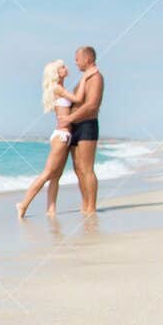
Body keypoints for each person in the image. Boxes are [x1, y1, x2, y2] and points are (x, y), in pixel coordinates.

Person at [16, 60, 82, 220]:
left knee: (56, 177)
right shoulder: (57, 88)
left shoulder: (61, 88)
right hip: (61, 135)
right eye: (63, 67)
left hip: (65, 135)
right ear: (56, 72)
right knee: (47, 174)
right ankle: (23, 204)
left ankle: (51, 209)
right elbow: (79, 99)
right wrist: (86, 79)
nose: (66, 68)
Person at [62, 45, 104, 215]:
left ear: (88, 59)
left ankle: (92, 207)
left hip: (87, 125)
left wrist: (70, 117)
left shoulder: (96, 78)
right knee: (78, 168)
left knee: (87, 168)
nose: (75, 62)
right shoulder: (85, 78)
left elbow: (92, 105)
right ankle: (85, 203)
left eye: (77, 58)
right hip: (74, 127)